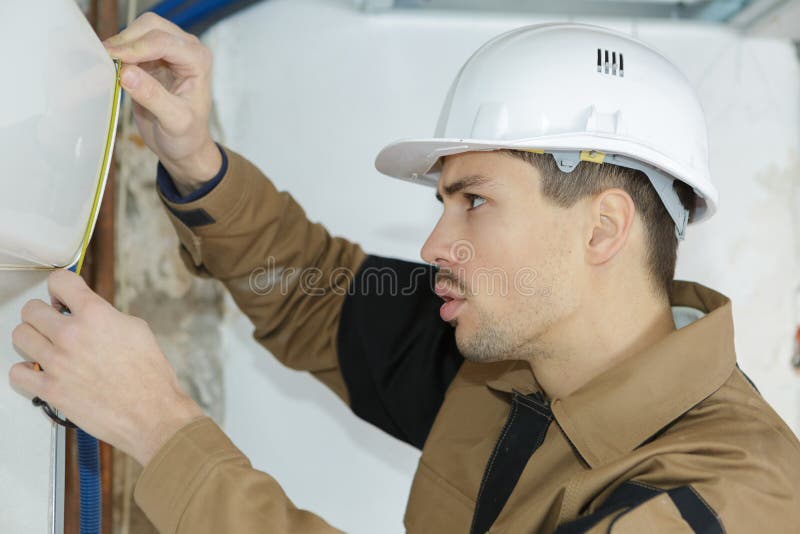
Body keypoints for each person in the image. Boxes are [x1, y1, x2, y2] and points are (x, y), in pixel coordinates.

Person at [9, 12, 800, 533]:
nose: (432, 245)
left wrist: (162, 428)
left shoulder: (718, 501)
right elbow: (325, 302)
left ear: (602, 228)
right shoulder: (520, 360)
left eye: (474, 202)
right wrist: (197, 162)